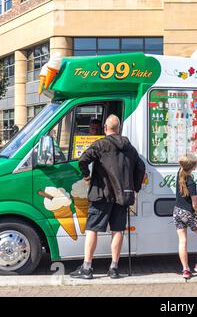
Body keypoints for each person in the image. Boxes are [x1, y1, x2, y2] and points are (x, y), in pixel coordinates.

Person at [70, 114, 145, 280]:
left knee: (92, 229)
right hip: (122, 196)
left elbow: (82, 160)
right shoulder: (129, 147)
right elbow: (141, 167)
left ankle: (87, 267)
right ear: (119, 129)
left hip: (101, 194)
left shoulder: (100, 144)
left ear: (105, 129)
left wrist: (87, 176)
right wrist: (135, 187)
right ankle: (114, 268)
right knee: (117, 230)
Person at [174, 154, 197, 280]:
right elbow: (195, 203)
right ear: (194, 167)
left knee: (182, 241)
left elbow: (184, 161)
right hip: (189, 213)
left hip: (177, 212)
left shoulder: (179, 174)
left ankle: (185, 270)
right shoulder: (191, 182)